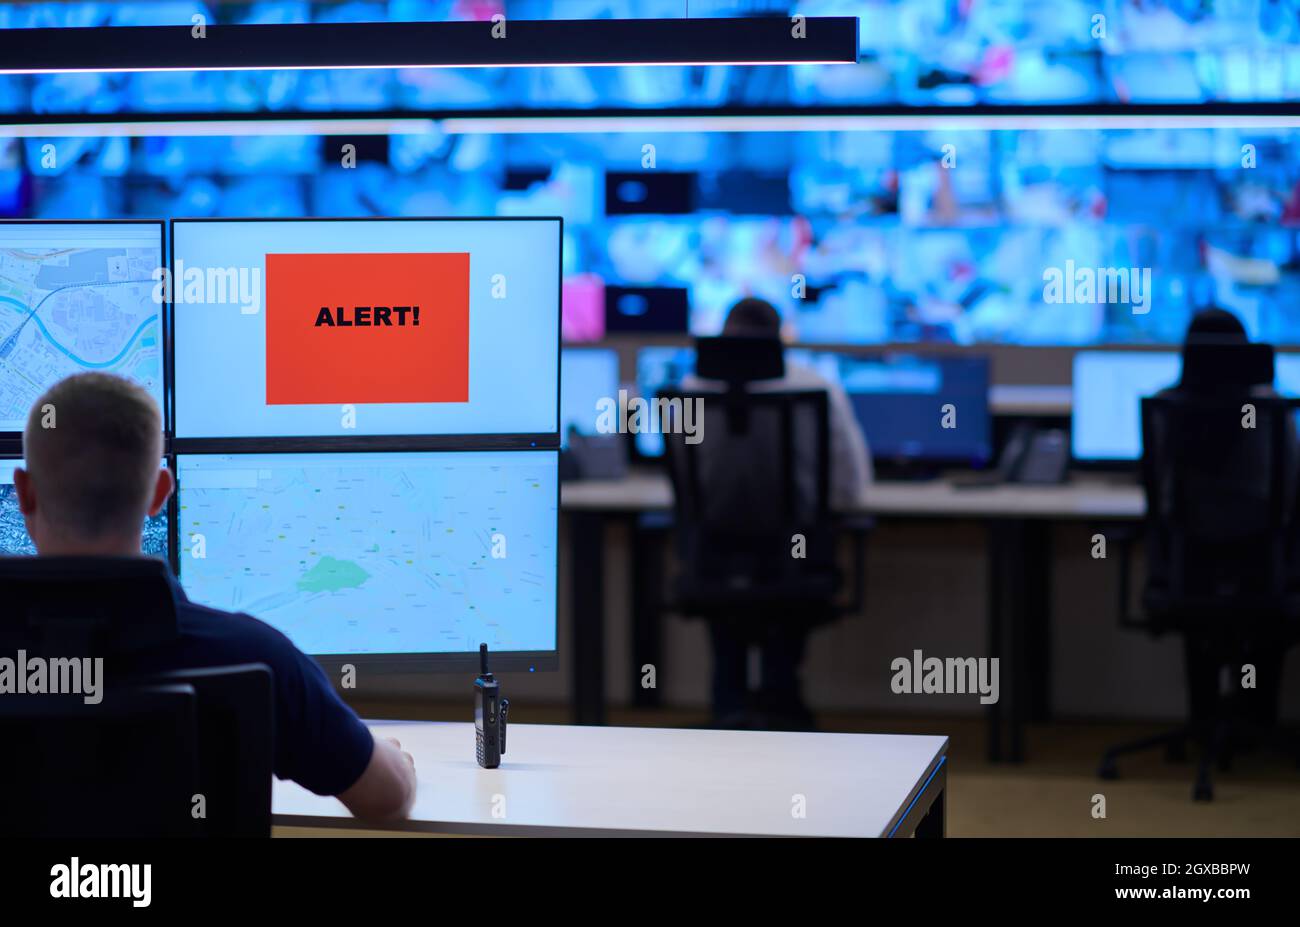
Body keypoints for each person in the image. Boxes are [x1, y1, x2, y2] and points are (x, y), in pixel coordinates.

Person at [13, 372, 416, 823]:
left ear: (24, 492)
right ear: (160, 494)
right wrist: (386, 755)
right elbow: (387, 799)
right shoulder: (253, 657)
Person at [686, 297, 873, 729]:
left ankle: (729, 707)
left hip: (713, 566)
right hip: (796, 563)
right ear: (780, 342)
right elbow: (852, 491)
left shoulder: (691, 389)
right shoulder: (818, 388)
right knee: (781, 598)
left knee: (728, 606)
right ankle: (779, 702)